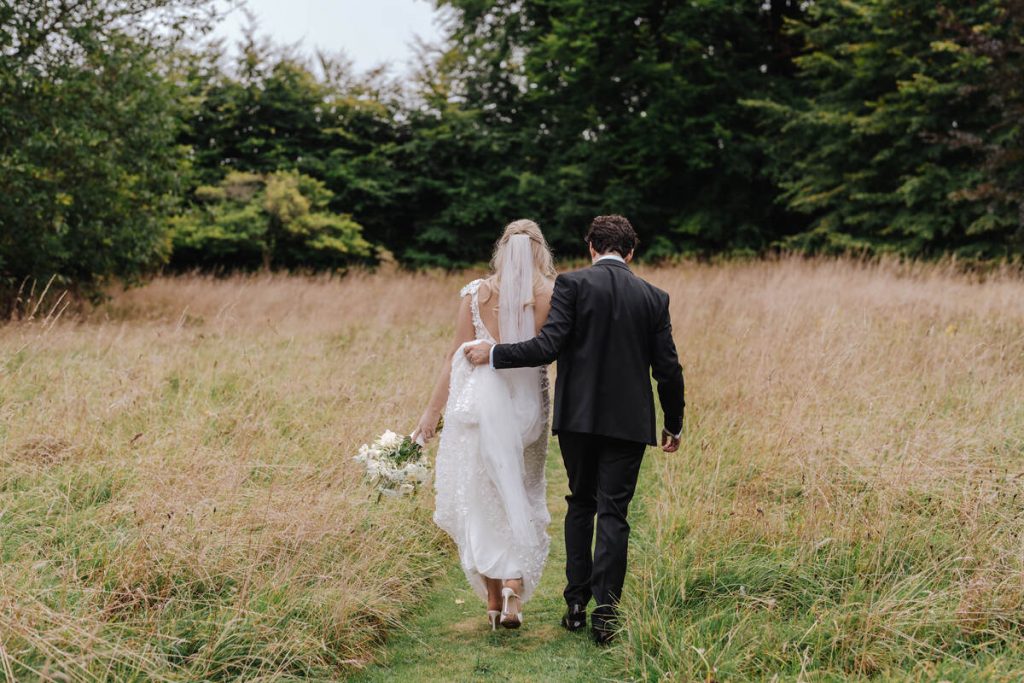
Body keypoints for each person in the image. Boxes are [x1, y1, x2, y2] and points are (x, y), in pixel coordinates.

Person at [465, 214, 685, 644]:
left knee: (581, 503)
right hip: (629, 424)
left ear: (590, 247)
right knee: (614, 514)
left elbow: (547, 347)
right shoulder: (654, 298)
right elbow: (668, 369)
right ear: (631, 251)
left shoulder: (572, 285)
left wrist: (494, 354)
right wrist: (673, 422)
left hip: (578, 420)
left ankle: (575, 604)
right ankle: (606, 614)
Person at [414, 219, 557, 630]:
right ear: (538, 251)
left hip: (479, 408)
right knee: (519, 488)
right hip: (527, 410)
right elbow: (546, 354)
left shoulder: (477, 293)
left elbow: (454, 357)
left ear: (502, 249)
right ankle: (509, 588)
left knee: (481, 497)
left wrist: (431, 414)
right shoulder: (549, 293)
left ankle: (497, 596)